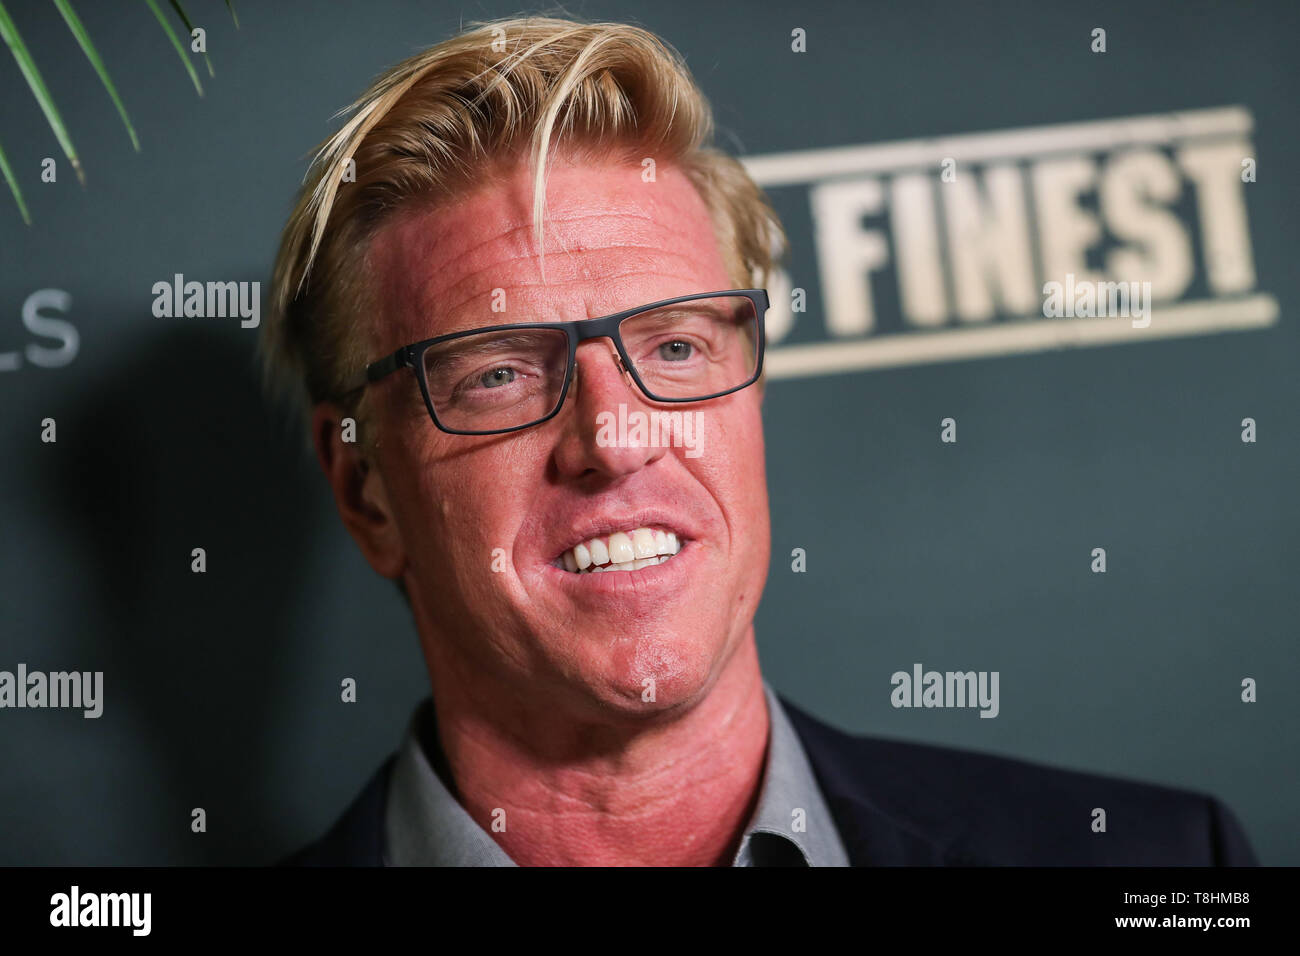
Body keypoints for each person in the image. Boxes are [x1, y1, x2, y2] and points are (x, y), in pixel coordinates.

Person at [263, 16, 1256, 866]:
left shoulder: (1160, 860)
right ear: (365, 487)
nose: (614, 437)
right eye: (498, 372)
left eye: (677, 344)